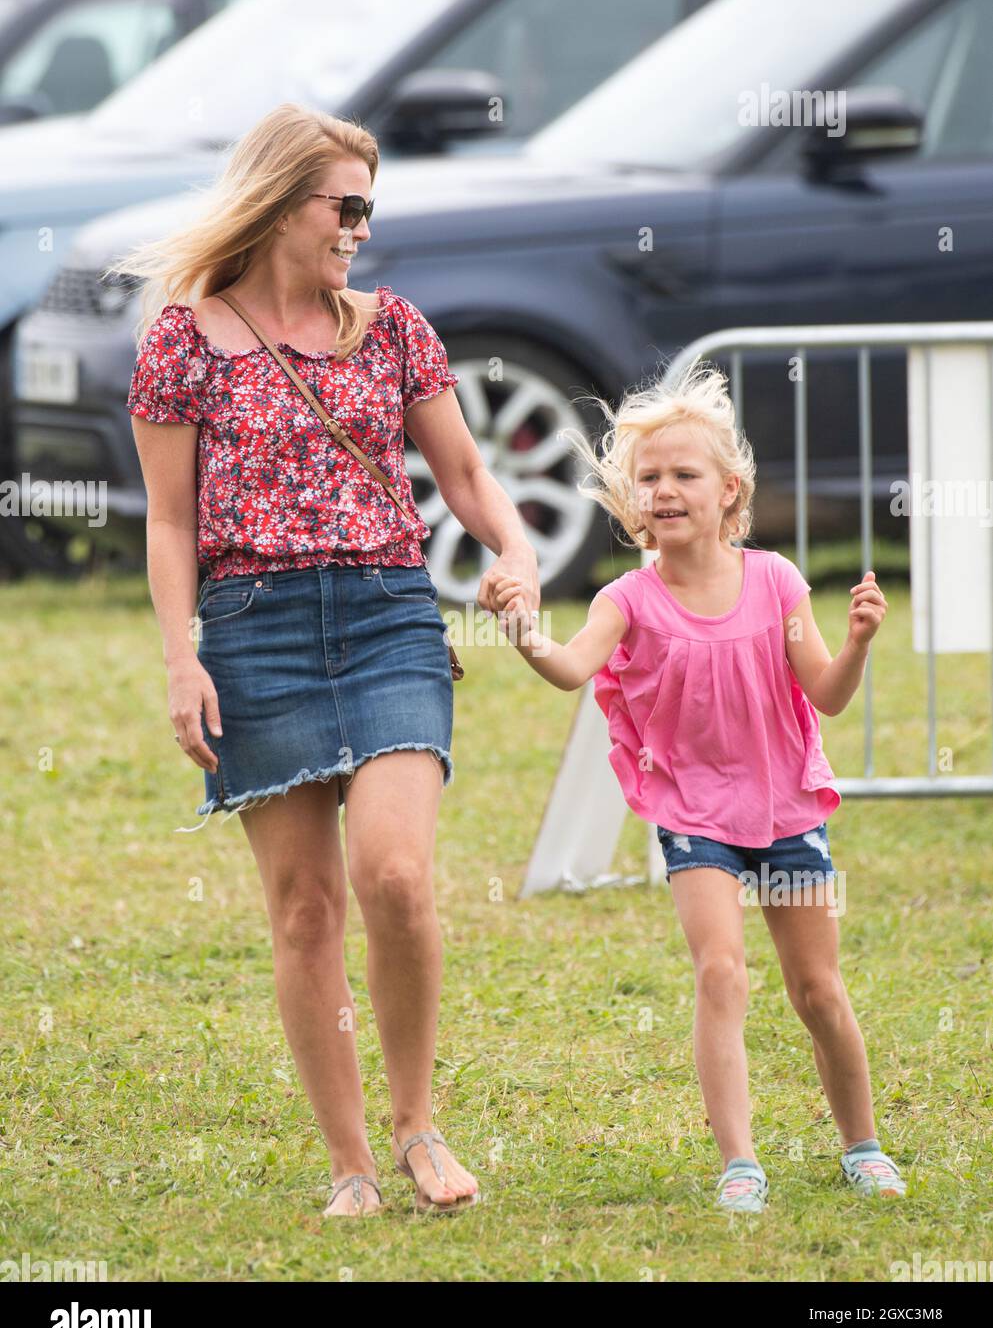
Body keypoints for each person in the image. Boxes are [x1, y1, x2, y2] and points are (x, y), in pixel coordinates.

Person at [112, 103, 540, 1217]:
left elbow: (465, 478)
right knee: (304, 909)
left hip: (391, 611)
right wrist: (178, 658)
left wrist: (519, 551)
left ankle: (417, 1126)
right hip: (254, 626)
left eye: (367, 206)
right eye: (341, 205)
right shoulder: (183, 338)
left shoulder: (392, 327)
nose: (358, 226)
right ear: (278, 201)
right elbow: (167, 523)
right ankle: (350, 1161)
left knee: (394, 874)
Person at [493, 360, 905, 1213]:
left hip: (786, 808)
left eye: (685, 474)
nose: (665, 489)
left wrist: (859, 641)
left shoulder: (778, 582)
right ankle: (739, 1163)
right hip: (694, 818)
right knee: (720, 972)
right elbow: (571, 669)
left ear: (729, 491)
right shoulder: (628, 599)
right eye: (648, 478)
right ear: (627, 499)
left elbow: (823, 694)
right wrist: (524, 630)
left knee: (817, 990)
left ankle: (861, 1145)